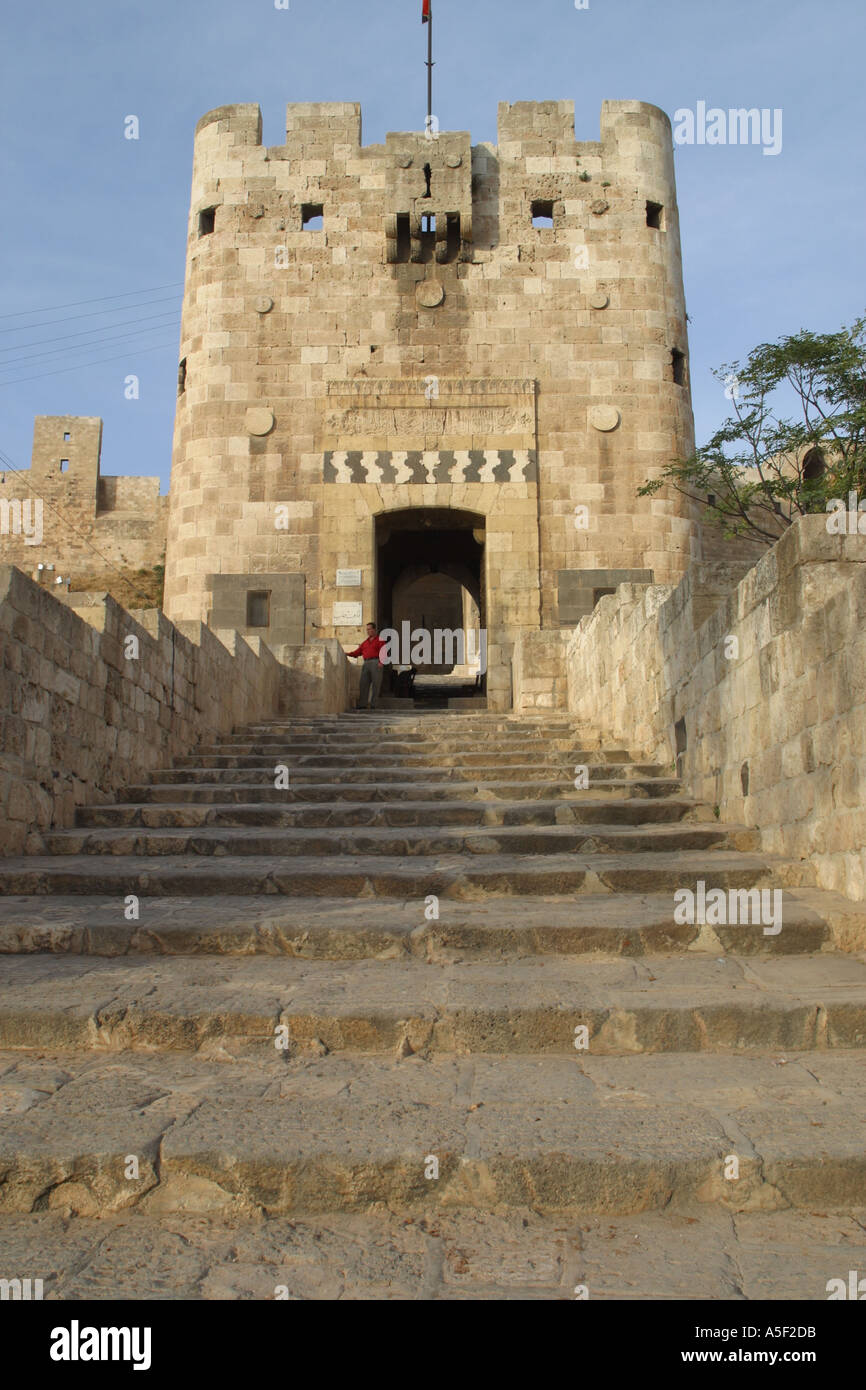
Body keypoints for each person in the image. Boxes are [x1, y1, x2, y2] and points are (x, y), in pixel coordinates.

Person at [348, 622, 387, 710]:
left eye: (370, 629)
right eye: (367, 629)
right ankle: (362, 704)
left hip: (376, 662)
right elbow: (357, 652)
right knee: (363, 684)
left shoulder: (380, 640)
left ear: (374, 630)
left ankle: (374, 704)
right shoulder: (365, 643)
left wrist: (381, 662)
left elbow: (383, 652)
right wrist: (347, 654)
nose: (368, 631)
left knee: (376, 685)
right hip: (366, 663)